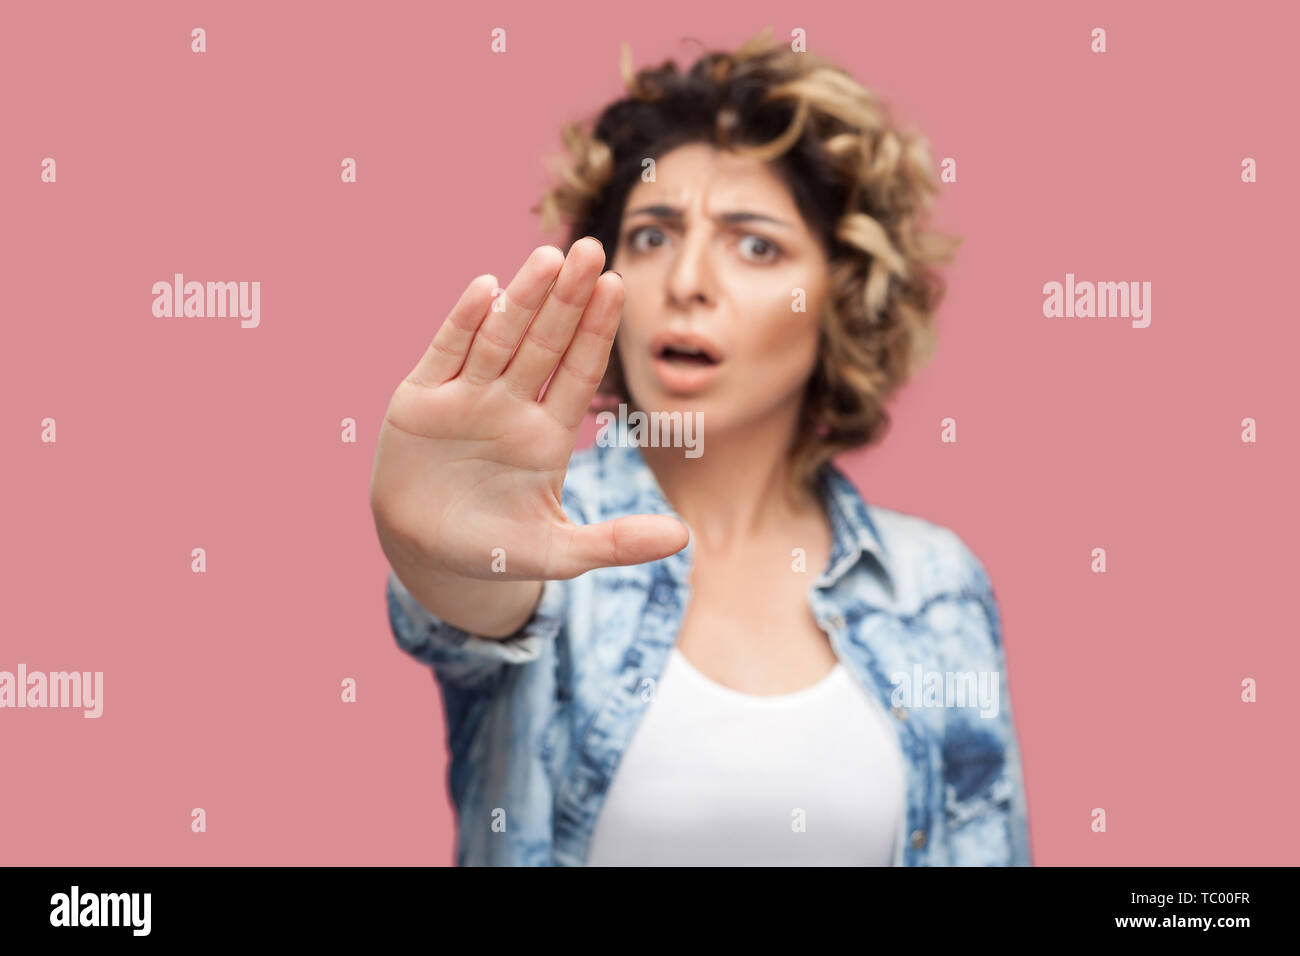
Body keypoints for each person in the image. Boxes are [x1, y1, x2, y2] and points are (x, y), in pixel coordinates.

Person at [369, 27, 1031, 866]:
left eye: (755, 244)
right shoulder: (547, 536)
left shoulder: (935, 585)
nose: (687, 282)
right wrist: (438, 549)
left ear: (840, 296)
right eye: (652, 236)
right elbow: (471, 601)